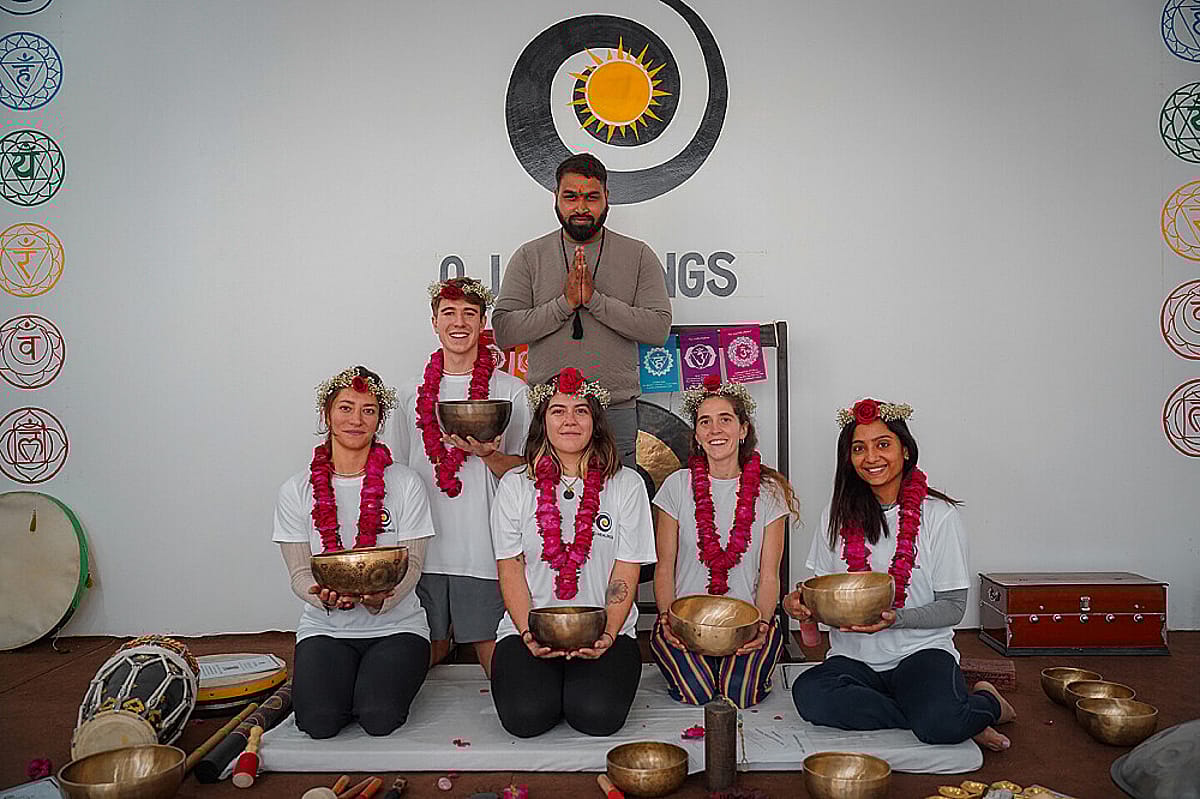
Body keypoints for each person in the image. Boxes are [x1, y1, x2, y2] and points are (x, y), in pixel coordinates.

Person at [784, 398, 1016, 751]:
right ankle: (954, 714)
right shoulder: (837, 515)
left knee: (939, 721)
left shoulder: (940, 516)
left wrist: (896, 619)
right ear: (849, 458)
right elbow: (820, 592)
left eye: (883, 444)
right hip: (854, 661)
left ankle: (988, 704)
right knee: (809, 695)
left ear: (905, 450)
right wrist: (797, 604)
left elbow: (953, 607)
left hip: (921, 654)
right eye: (859, 448)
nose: (871, 457)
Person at [489, 366, 656, 737]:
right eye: (557, 411)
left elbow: (626, 571)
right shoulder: (516, 486)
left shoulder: (626, 485)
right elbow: (511, 567)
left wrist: (608, 635)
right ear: (542, 422)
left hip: (606, 629)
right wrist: (527, 632)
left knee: (597, 717)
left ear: (596, 422)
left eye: (581, 410)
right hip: (528, 629)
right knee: (525, 718)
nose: (569, 420)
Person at [273, 366, 434, 739]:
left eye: (368, 409)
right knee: (319, 722)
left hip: (398, 627)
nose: (356, 420)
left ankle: (378, 683)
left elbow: (413, 567)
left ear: (379, 419)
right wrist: (321, 596)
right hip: (324, 629)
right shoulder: (296, 490)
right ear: (326, 414)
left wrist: (380, 600)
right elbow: (299, 574)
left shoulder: (405, 483)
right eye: (346, 408)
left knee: (378, 717)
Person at [384, 277, 529, 677]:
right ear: (434, 322)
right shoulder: (410, 394)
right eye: (449, 312)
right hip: (423, 547)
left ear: (483, 322)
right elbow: (394, 473)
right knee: (418, 654)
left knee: (496, 664)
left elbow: (525, 472)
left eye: (469, 313)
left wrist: (489, 455)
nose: (459, 322)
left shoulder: (510, 391)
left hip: (482, 546)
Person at [492, 153, 672, 468]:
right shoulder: (529, 256)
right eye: (571, 197)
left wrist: (595, 301)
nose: (581, 207)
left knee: (617, 512)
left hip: (615, 412)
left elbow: (658, 329)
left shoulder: (638, 254)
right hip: (550, 412)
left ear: (607, 199)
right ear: (555, 199)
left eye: (591, 197)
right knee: (547, 513)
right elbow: (505, 331)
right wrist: (565, 304)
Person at [651, 375, 801, 708]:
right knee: (698, 693)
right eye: (705, 421)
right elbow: (665, 567)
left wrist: (762, 624)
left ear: (743, 429)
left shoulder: (769, 491)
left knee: (739, 695)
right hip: (683, 622)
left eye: (725, 420)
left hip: (748, 623)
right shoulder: (677, 486)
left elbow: (769, 574)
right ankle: (694, 663)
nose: (715, 429)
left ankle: (739, 663)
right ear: (697, 434)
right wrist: (667, 620)